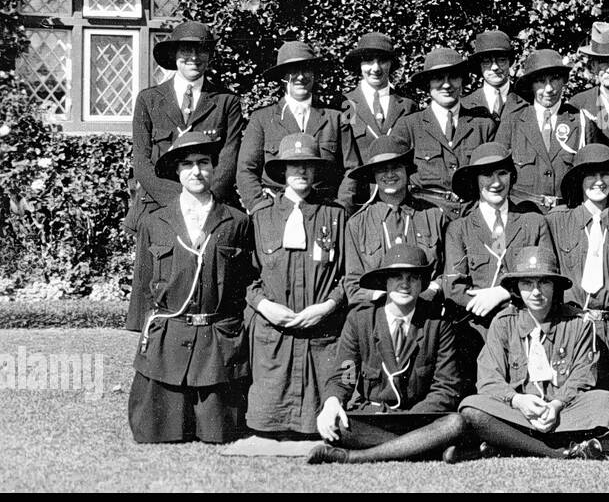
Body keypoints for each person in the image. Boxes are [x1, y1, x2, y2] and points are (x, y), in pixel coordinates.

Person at [128, 132, 255, 443]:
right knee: (153, 430)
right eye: (187, 165)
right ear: (177, 171)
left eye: (203, 163)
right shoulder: (155, 222)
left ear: (214, 168)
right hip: (168, 343)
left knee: (220, 431)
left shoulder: (236, 222)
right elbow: (143, 283)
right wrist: (144, 337)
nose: (196, 172)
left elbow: (245, 285)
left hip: (216, 345)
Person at [126, 21, 245, 332]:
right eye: (186, 50)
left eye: (201, 50)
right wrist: (178, 203)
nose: (193, 57)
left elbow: (229, 157)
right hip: (160, 208)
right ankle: (153, 357)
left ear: (209, 56)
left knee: (209, 292)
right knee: (156, 289)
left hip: (211, 207)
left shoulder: (226, 101)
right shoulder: (149, 99)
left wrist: (203, 200)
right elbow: (142, 161)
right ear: (174, 55)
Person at [307, 244, 469, 465]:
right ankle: (428, 448)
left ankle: (354, 457)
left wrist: (411, 417)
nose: (405, 284)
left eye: (413, 277)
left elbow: (447, 387)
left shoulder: (438, 324)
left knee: (455, 423)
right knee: (336, 424)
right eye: (396, 277)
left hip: (420, 419)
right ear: (384, 282)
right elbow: (344, 377)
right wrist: (332, 402)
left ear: (422, 283)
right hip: (375, 419)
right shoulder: (360, 320)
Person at [459, 247, 609, 460]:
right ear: (516, 288)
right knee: (472, 407)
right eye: (527, 283)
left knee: (606, 402)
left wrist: (556, 405)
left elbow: (583, 376)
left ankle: (509, 442)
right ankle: (560, 450)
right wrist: (517, 400)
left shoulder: (578, 324)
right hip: (517, 412)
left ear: (555, 286)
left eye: (544, 283)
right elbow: (489, 379)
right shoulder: (503, 323)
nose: (536, 292)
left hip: (562, 412)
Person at [245, 133, 350, 437]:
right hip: (274, 333)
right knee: (269, 424)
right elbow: (247, 277)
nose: (301, 172)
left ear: (317, 171)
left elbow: (348, 274)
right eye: (294, 166)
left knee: (317, 423)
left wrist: (327, 306)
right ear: (283, 172)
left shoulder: (334, 215)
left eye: (308, 166)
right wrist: (265, 307)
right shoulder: (261, 217)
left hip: (322, 330)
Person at [547, 143, 609, 432]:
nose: (598, 182)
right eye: (590, 175)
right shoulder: (557, 221)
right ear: (579, 180)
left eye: (605, 175)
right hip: (574, 323)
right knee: (573, 383)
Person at [442, 142, 556, 351]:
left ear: (511, 177)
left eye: (502, 173)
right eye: (487, 175)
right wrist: (484, 301)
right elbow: (453, 287)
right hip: (478, 331)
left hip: (526, 324)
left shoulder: (533, 222)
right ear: (476, 180)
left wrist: (504, 293)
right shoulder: (459, 229)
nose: (496, 183)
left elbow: (548, 276)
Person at [237, 40, 361, 214]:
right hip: (276, 211)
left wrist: (341, 209)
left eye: (306, 69)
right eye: (293, 71)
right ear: (282, 76)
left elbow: (352, 169)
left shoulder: (336, 119)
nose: (301, 76)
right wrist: (260, 210)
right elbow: (246, 170)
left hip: (325, 211)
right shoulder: (262, 119)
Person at [342, 136, 449, 307]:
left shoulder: (433, 215)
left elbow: (448, 273)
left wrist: (430, 292)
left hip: (427, 315)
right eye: (382, 169)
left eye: (396, 167)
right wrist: (389, 298)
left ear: (406, 170)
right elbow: (353, 286)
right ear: (374, 175)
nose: (390, 174)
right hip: (378, 316)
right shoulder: (357, 224)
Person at [391, 47, 497, 217]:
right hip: (426, 218)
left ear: (462, 81)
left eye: (454, 77)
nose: (447, 85)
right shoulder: (409, 126)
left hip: (473, 217)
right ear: (428, 84)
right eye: (438, 78)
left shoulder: (483, 125)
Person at [494, 48, 598, 212]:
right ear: (531, 85)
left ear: (563, 81)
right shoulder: (513, 122)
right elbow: (497, 175)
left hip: (567, 216)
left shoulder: (581, 122)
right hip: (523, 215)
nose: (549, 89)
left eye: (554, 79)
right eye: (541, 81)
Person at [340, 32, 417, 163]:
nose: (376, 68)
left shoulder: (407, 105)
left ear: (391, 64)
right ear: (360, 64)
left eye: (382, 61)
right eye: (369, 61)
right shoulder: (347, 104)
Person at [462, 29, 527, 125]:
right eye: (487, 62)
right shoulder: (465, 106)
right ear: (479, 65)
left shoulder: (526, 101)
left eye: (501, 60)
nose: (495, 67)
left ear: (510, 62)